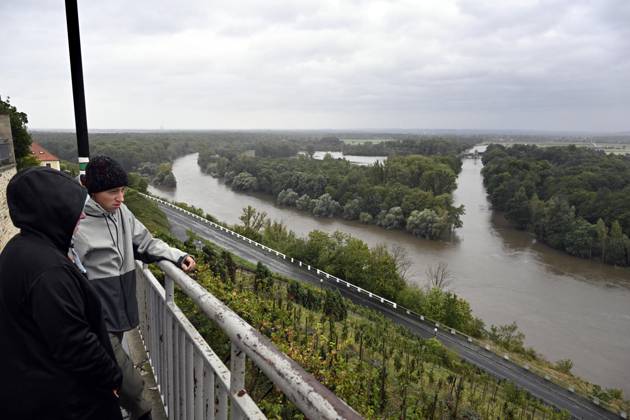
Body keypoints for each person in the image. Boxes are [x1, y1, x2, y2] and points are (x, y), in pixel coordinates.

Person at [74, 155, 196, 420]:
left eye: (122, 190)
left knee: (111, 377)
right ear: (92, 192)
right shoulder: (76, 222)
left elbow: (146, 242)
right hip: (97, 319)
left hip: (119, 313)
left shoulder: (121, 213)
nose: (121, 198)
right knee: (125, 381)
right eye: (112, 192)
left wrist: (176, 255)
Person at [0, 167, 123, 420]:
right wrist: (112, 378)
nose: (81, 218)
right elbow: (74, 342)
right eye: (74, 210)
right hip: (63, 401)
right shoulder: (48, 269)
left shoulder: (19, 249)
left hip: (31, 389)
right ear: (54, 211)